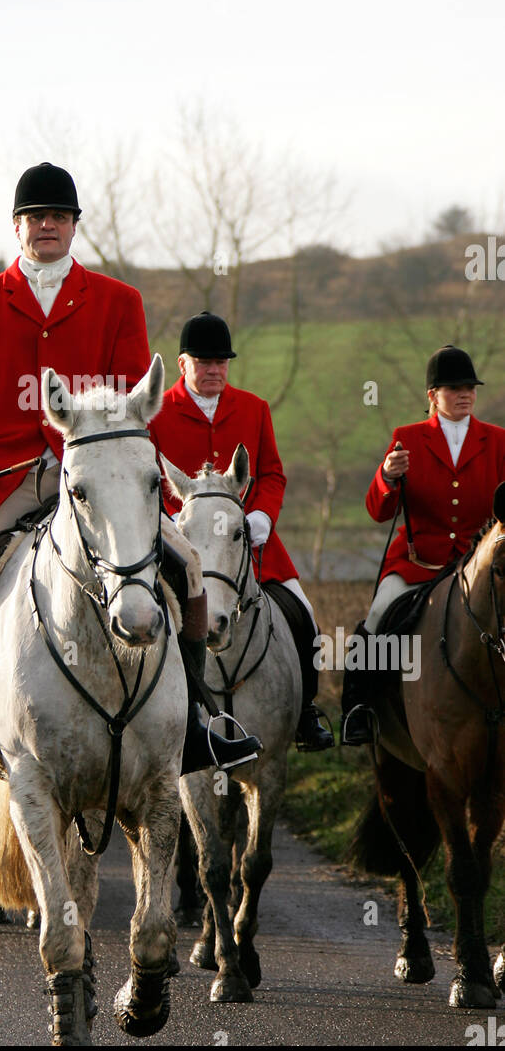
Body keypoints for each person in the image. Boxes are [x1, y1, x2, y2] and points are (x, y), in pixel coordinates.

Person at [0, 162, 260, 778]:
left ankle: (198, 721)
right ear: (18, 228)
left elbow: (128, 401)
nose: (47, 226)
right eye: (36, 217)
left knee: (190, 566)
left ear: (72, 227)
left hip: (99, 483)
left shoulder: (119, 302)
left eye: (59, 217)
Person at [150, 312, 334, 751]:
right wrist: (169, 525)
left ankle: (305, 713)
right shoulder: (157, 415)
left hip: (248, 543)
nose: (214, 369)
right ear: (183, 364)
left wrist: (263, 518)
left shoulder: (254, 408)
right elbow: (147, 482)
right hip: (182, 549)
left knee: (304, 615)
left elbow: (271, 474)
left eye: (221, 362)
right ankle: (152, 720)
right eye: (204, 361)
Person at [341, 344, 505, 744]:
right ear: (432, 396)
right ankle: (358, 707)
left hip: (482, 562)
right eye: (454, 388)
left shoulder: (498, 441)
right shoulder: (406, 439)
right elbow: (379, 510)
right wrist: (387, 476)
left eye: (470, 387)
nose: (465, 394)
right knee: (379, 616)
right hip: (420, 562)